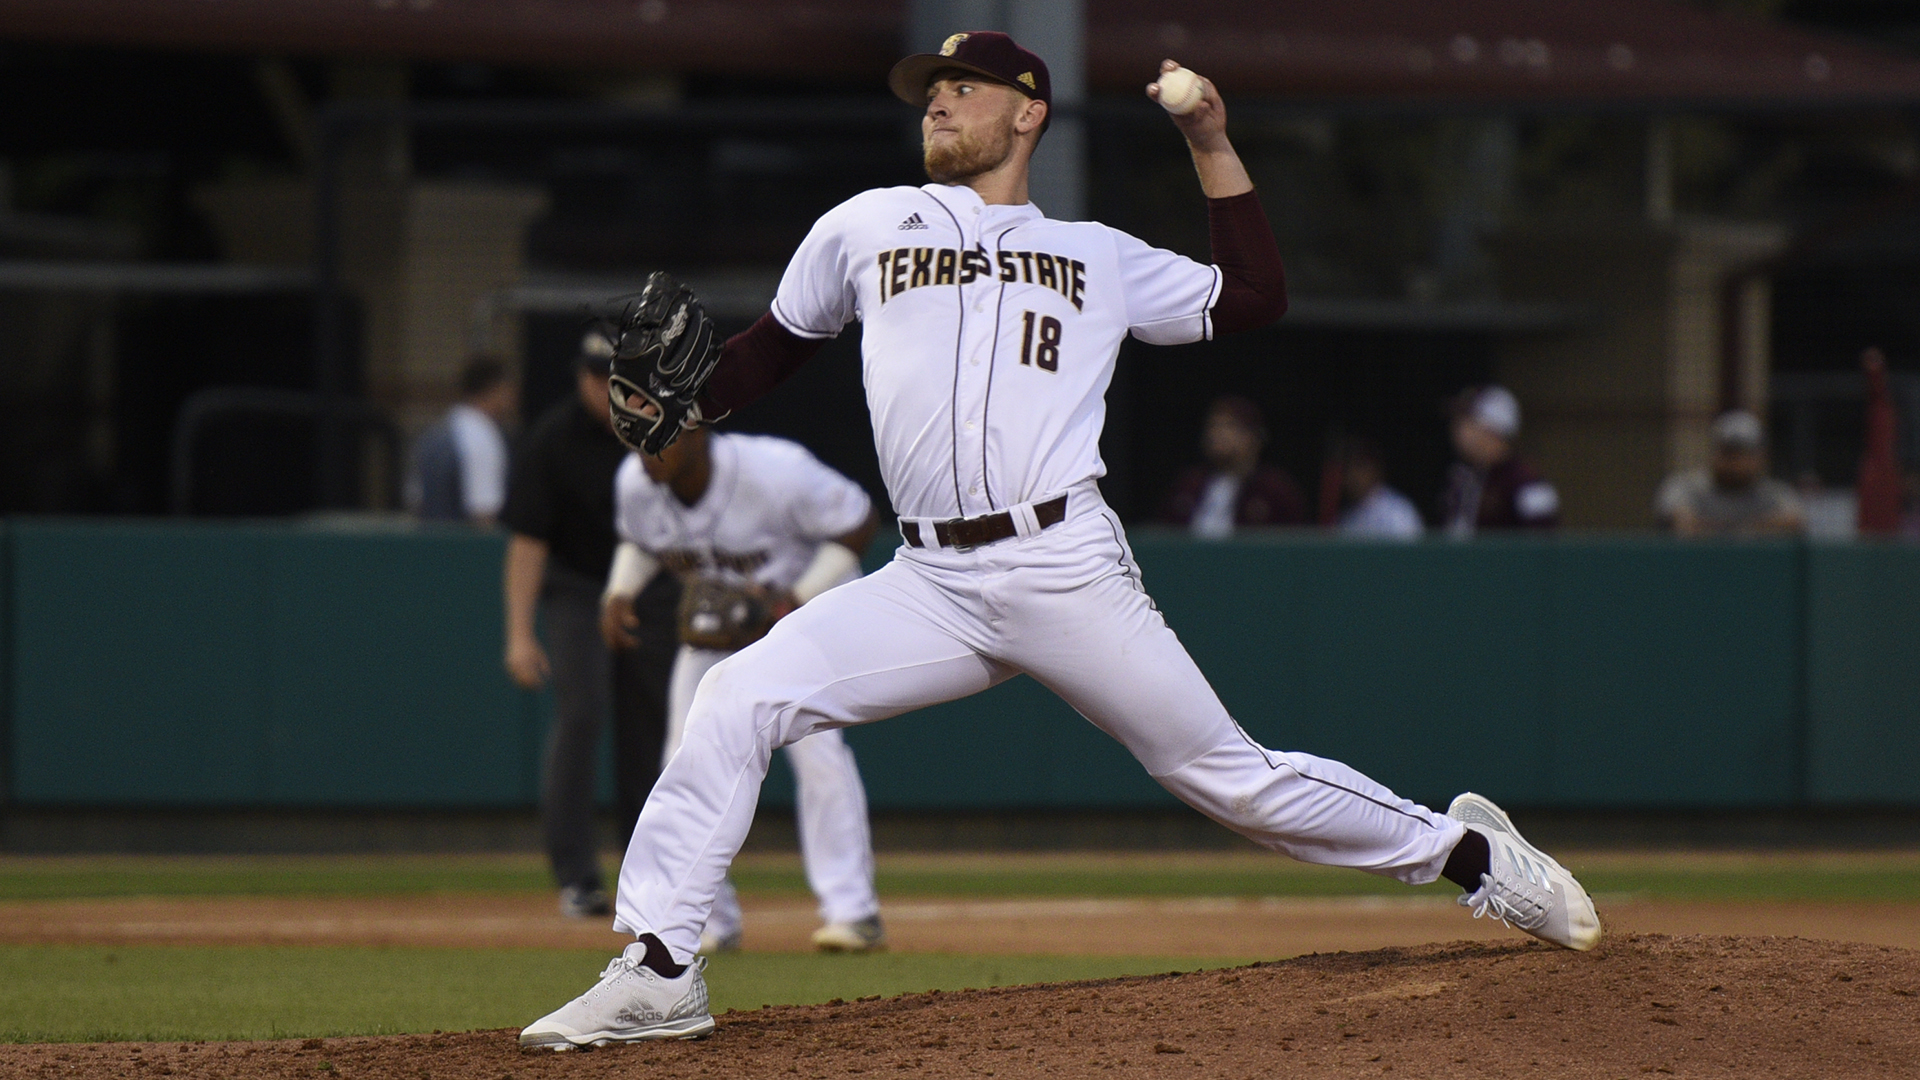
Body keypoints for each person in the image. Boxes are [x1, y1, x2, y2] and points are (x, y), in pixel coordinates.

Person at [521, 34, 1599, 1050]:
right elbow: (767, 353)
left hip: (1063, 564)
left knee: (1234, 782)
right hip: (930, 578)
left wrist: (1210, 139)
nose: (938, 98)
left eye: (963, 86)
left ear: (1028, 111)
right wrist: (689, 405)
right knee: (735, 699)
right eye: (929, 90)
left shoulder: (1094, 254)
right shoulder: (864, 225)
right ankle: (662, 964)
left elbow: (1256, 296)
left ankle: (1472, 855)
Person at [601, 425, 885, 954]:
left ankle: (853, 912)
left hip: (804, 621)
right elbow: (642, 544)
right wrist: (620, 590)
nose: (647, 453)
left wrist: (793, 598)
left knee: (818, 756)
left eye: (660, 437)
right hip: (719, 627)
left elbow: (859, 523)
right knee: (683, 759)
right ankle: (706, 922)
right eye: (638, 440)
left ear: (697, 429)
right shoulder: (636, 484)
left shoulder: (776, 470)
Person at [501, 329, 679, 919]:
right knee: (581, 714)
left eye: (614, 376)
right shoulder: (551, 440)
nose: (603, 387)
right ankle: (576, 873)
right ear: (580, 377)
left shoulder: (662, 434)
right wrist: (520, 634)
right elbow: (528, 541)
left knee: (650, 726)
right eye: (594, 376)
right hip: (579, 590)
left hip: (651, 593)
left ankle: (645, 872)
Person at [1158, 395, 1305, 537]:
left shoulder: (1275, 490)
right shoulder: (1188, 485)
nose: (1218, 434)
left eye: (1230, 426)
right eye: (1214, 426)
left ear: (1253, 436)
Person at [1656, 410, 1805, 537]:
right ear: (1715, 453)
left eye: (1744, 454)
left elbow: (1794, 521)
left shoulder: (1775, 493)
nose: (1736, 463)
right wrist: (1752, 529)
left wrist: (1727, 530)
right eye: (1729, 453)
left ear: (1760, 457)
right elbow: (1684, 524)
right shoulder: (1684, 486)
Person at [409, 355, 518, 524]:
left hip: (428, 543)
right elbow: (484, 512)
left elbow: (415, 501)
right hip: (463, 546)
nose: (513, 398)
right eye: (509, 389)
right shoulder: (481, 436)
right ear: (495, 389)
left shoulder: (434, 434)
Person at [1441, 385, 1560, 536]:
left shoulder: (1527, 481)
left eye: (1468, 422)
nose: (1458, 430)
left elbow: (1543, 545)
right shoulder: (1462, 477)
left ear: (1493, 428)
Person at [1335, 436, 1422, 540]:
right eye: (1348, 469)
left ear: (1375, 468)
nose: (1353, 475)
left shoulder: (1397, 511)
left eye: (1360, 466)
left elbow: (1410, 553)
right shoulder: (1348, 515)